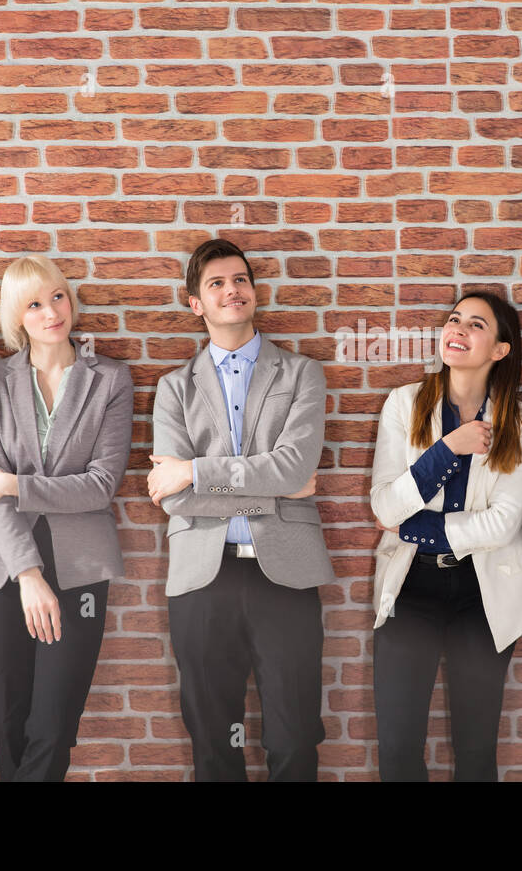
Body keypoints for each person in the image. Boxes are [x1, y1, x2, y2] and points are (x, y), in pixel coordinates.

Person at [148, 237, 329, 781]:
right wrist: (274, 486)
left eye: (241, 279)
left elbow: (294, 468)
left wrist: (197, 470)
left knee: (295, 737)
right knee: (211, 741)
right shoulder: (173, 389)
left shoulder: (301, 374)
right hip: (203, 577)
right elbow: (173, 495)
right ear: (195, 304)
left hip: (286, 575)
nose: (233, 290)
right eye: (217, 283)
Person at [0, 256, 133, 781]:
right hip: (4, 570)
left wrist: (14, 483)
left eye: (57, 296)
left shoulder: (111, 380)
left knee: (53, 724)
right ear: (17, 318)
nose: (52, 311)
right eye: (34, 304)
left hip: (79, 568)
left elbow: (101, 486)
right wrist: (28, 576)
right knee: (10, 722)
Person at [369, 291, 522, 781]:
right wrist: (449, 447)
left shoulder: (521, 421)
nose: (459, 330)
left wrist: (417, 527)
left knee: (475, 751)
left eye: (476, 325)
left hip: (482, 592)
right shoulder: (404, 404)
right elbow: (383, 506)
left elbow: (502, 525)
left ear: (500, 350)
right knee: (399, 749)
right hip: (412, 587)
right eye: (454, 320)